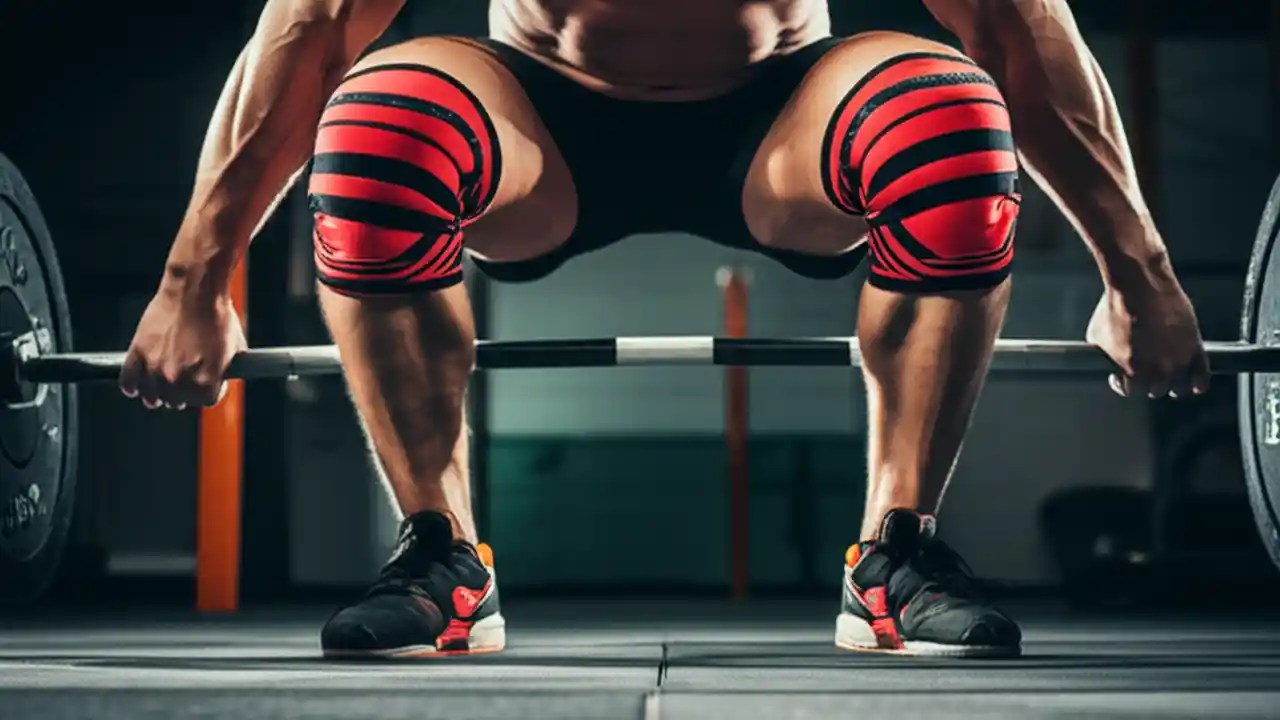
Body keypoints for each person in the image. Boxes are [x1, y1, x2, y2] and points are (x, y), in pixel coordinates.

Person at [119, 0, 1209, 658]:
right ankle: (441, 556)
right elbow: (311, 26)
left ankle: (896, 554)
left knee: (946, 117)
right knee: (378, 121)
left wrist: (1140, 273)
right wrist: (192, 279)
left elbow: (1016, 27)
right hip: (538, 114)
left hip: (783, 112)